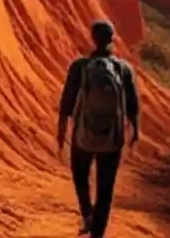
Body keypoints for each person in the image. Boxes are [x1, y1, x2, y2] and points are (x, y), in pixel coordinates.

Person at [57, 19, 140, 238]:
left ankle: (87, 215)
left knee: (80, 175)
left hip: (83, 134)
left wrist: (62, 130)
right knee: (106, 187)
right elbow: (133, 104)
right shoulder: (124, 69)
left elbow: (67, 101)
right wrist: (135, 131)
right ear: (112, 39)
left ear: (93, 38)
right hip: (113, 137)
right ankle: (98, 233)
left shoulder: (79, 66)